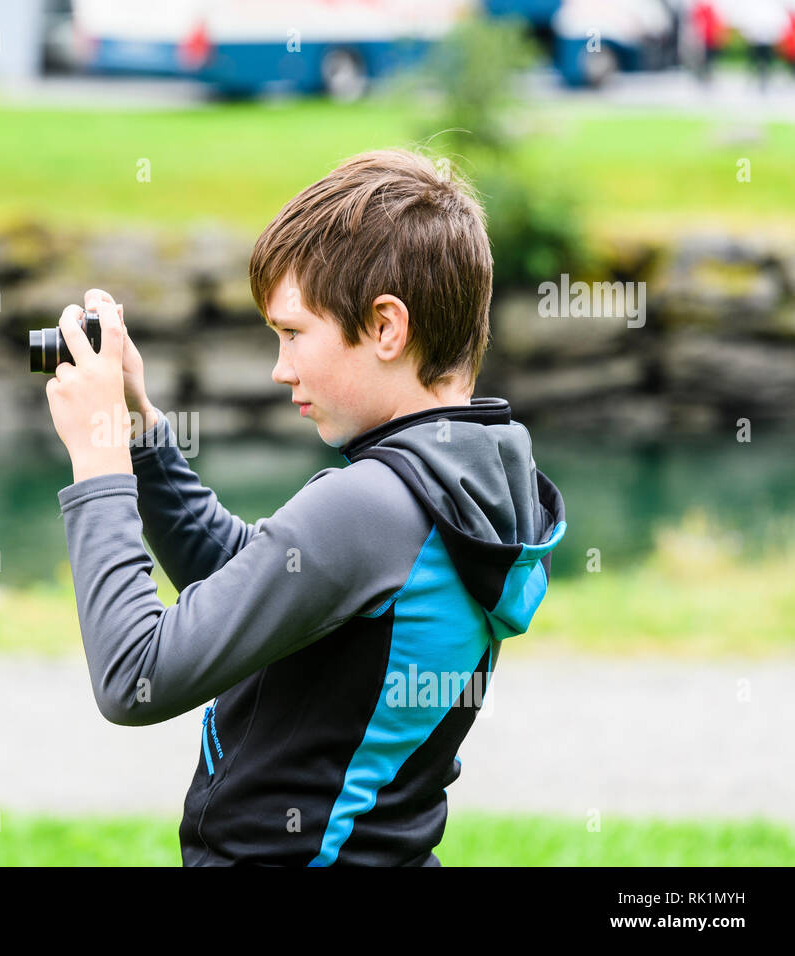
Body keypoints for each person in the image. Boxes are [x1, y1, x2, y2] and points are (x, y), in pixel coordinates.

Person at [43, 148, 566, 866]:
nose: (280, 367)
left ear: (386, 327)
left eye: (293, 333)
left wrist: (96, 461)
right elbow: (264, 585)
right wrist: (139, 437)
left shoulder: (371, 507)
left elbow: (136, 675)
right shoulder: (471, 487)